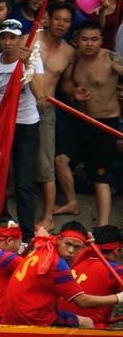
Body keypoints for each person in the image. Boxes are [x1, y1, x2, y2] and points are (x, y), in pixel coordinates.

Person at [0, 19, 45, 242]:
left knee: (23, 181)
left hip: (27, 126)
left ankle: (27, 235)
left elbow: (41, 97)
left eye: (12, 38)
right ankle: (2, 221)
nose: (7, 43)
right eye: (4, 37)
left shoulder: (33, 60)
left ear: (20, 40)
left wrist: (27, 64)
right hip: (2, 126)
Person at [56, 20, 122, 226]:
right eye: (85, 39)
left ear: (101, 40)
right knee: (60, 160)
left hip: (105, 122)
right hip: (80, 119)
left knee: (100, 177)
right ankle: (72, 202)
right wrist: (73, 91)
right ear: (77, 40)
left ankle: (102, 226)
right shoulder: (74, 57)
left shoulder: (112, 58)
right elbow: (66, 82)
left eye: (94, 39)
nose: (89, 44)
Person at [2, 222, 123, 328]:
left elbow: (41, 232)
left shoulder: (44, 245)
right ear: (59, 240)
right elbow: (82, 302)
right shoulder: (57, 265)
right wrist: (119, 298)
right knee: (87, 322)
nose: (70, 251)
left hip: (13, 313)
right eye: (68, 244)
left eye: (76, 247)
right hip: (33, 316)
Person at [27, 3, 75, 231]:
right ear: (49, 18)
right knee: (14, 153)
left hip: (46, 110)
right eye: (58, 18)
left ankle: (47, 215)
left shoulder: (69, 52)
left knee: (46, 163)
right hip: (22, 104)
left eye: (66, 20)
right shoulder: (32, 38)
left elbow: (64, 82)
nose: (61, 24)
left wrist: (75, 92)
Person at [58, 225, 123, 328]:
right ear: (117, 251)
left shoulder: (74, 260)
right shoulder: (115, 270)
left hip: (59, 321)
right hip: (89, 329)